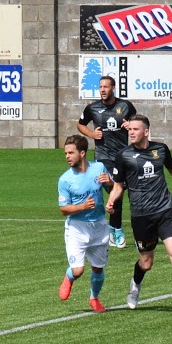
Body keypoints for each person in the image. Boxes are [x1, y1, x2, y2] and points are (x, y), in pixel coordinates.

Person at [107, 115, 172, 319]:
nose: (131, 132)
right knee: (146, 263)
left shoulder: (161, 149)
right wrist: (112, 200)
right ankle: (135, 284)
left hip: (165, 210)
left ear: (146, 132)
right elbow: (119, 186)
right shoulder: (123, 155)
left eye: (136, 129)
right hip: (141, 216)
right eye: (130, 129)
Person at [77, 75, 136, 248]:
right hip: (103, 157)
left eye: (106, 87)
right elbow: (80, 124)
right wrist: (91, 134)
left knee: (121, 190)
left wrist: (129, 126)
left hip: (123, 156)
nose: (103, 90)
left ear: (113, 88)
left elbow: (138, 124)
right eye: (101, 87)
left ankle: (113, 228)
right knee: (114, 187)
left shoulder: (125, 106)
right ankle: (115, 230)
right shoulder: (93, 107)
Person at [57, 134, 110, 312]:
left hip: (99, 225)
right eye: (65, 153)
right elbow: (63, 209)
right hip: (77, 228)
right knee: (78, 270)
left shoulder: (99, 168)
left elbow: (113, 189)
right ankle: (69, 277)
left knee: (98, 267)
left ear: (82, 153)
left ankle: (94, 298)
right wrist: (82, 206)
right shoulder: (65, 180)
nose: (67, 157)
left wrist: (109, 183)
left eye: (71, 153)